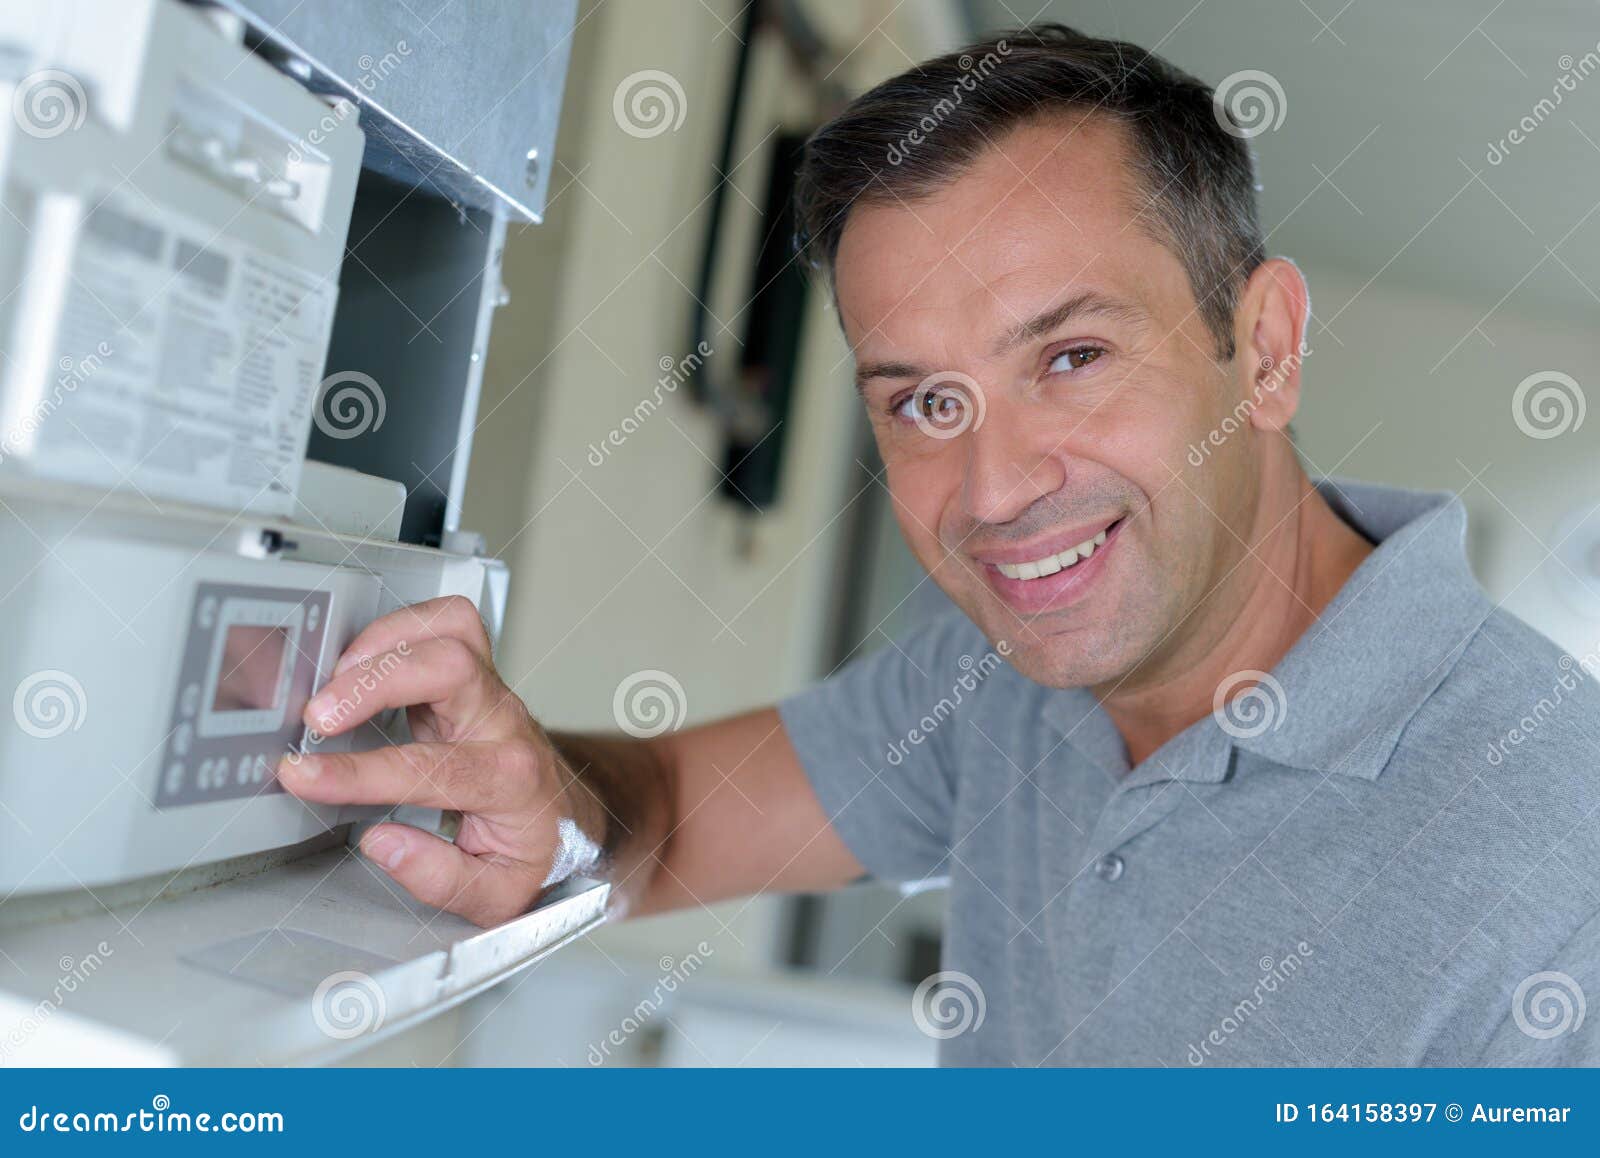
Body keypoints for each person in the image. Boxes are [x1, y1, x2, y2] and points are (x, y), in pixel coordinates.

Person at [279, 25, 1600, 1065]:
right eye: (923, 399)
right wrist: (550, 813)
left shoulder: (1560, 856)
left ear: (1261, 348)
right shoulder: (997, 683)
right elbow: (665, 823)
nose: (998, 487)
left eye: (1072, 357)